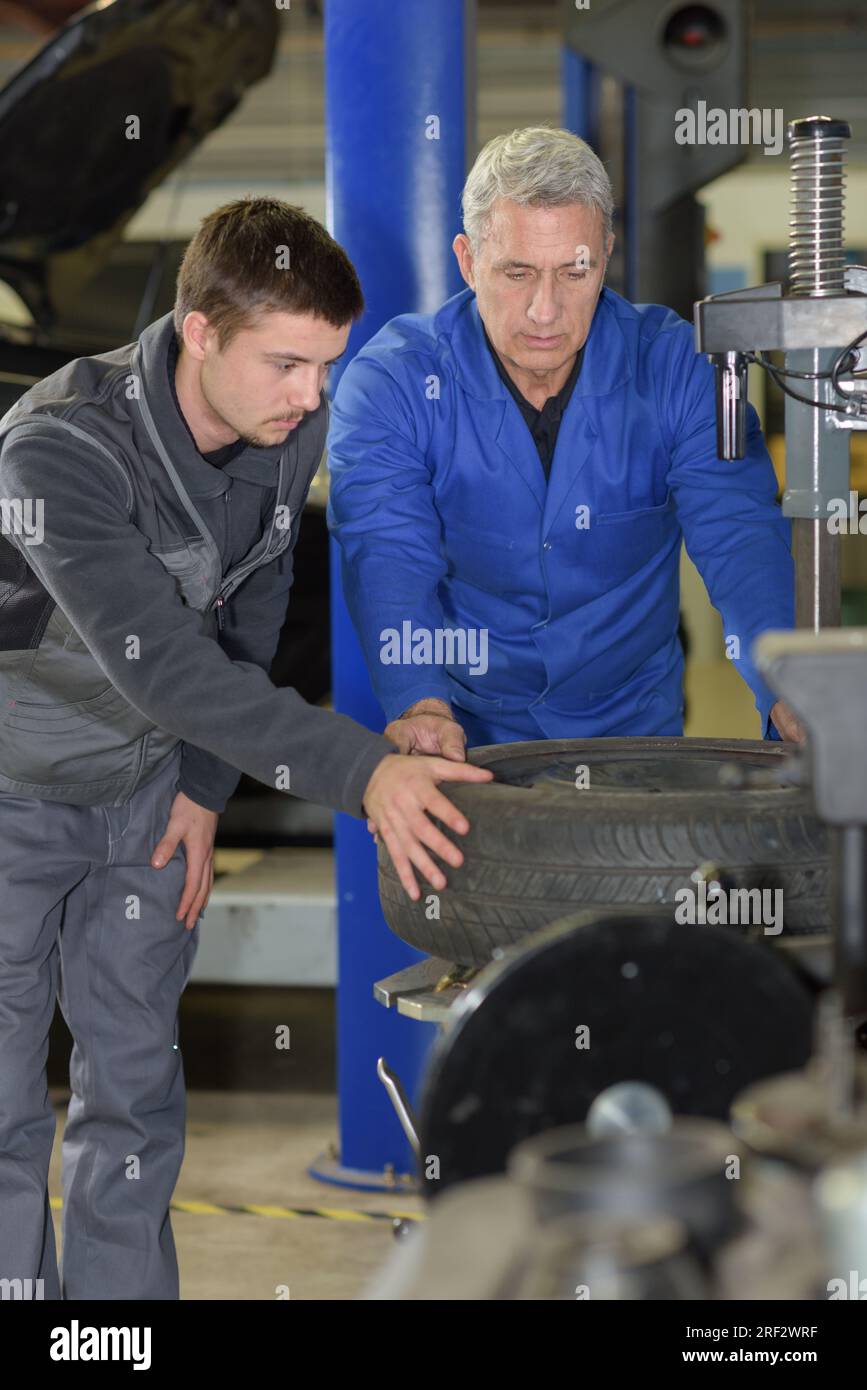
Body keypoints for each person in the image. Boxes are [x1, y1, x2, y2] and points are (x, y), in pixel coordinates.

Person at [0, 197, 491, 1300]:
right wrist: (365, 772)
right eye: (287, 363)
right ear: (202, 332)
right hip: (10, 800)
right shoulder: (55, 451)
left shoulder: (286, 424)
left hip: (143, 796)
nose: (313, 396)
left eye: (328, 364)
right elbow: (164, 663)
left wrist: (207, 787)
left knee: (132, 1096)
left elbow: (252, 608)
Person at [327, 126, 805, 767]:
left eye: (573, 272)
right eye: (518, 273)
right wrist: (419, 702)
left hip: (634, 736)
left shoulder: (679, 369)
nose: (545, 311)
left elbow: (739, 534)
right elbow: (388, 554)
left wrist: (787, 689)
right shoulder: (395, 383)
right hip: (465, 735)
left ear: (605, 254)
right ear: (468, 262)